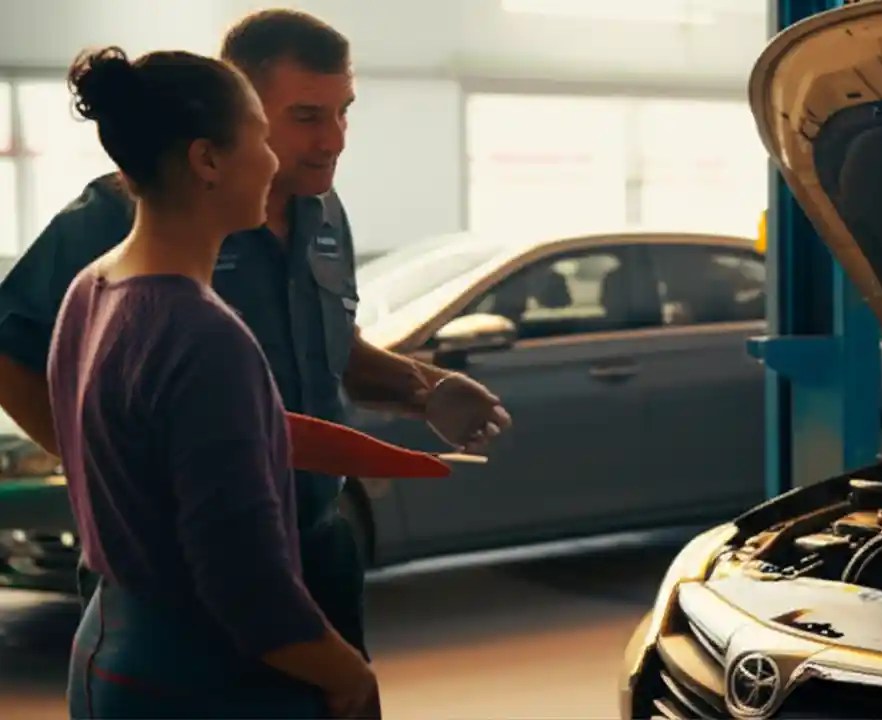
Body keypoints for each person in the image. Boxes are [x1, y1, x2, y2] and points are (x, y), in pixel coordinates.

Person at [0, 9, 511, 658]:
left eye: (343, 111)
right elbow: (10, 348)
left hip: (318, 539)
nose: (335, 139)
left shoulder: (324, 213)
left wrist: (423, 387)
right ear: (237, 109)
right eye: (306, 116)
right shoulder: (129, 210)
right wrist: (101, 474)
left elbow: (331, 347)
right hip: (185, 556)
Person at [51, 46, 378, 718]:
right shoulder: (206, 336)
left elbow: (145, 445)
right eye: (260, 135)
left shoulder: (94, 287)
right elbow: (245, 584)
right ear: (208, 160)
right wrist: (346, 672)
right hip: (205, 678)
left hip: (109, 656)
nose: (271, 160)